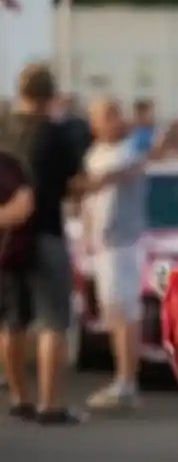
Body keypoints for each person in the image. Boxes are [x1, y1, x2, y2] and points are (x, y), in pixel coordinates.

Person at [0, 64, 84, 424]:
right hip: (46, 232)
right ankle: (51, 404)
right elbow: (75, 183)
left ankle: (20, 398)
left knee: (12, 321)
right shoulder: (55, 134)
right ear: (50, 96)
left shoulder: (3, 131)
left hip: (7, 239)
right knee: (53, 322)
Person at [80, 97, 149, 410]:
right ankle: (120, 379)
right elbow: (89, 201)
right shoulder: (94, 154)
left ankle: (127, 383)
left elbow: (130, 170)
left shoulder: (129, 151)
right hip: (102, 246)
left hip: (125, 243)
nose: (108, 121)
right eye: (101, 116)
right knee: (111, 312)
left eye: (112, 114)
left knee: (125, 312)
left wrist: (94, 183)